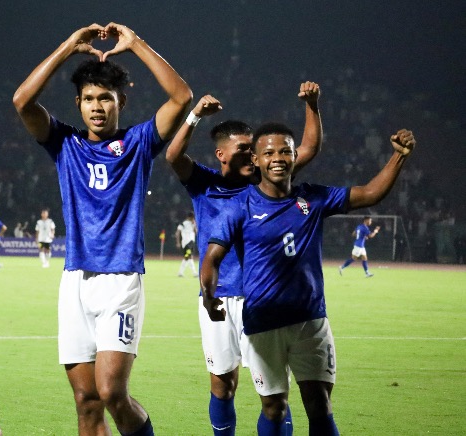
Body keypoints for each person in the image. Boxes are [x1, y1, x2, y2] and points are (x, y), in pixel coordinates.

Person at [13, 23, 192, 435]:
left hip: (121, 280)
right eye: (89, 99)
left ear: (121, 102)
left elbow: (181, 96)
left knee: (112, 392)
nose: (97, 106)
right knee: (86, 401)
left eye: (106, 99)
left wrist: (136, 45)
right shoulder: (64, 144)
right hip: (75, 279)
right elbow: (22, 101)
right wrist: (66, 49)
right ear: (78, 103)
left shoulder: (140, 143)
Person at [200, 125, 416, 435]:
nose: (278, 158)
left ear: (293, 156)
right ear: (257, 160)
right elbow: (211, 258)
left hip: (310, 322)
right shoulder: (239, 207)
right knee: (274, 407)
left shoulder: (313, 198)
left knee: (319, 404)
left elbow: (370, 193)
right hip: (263, 324)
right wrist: (209, 297)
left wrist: (398, 156)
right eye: (269, 153)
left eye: (285, 151)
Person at [166, 83, 322, 435]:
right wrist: (193, 117)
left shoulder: (267, 182)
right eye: (245, 149)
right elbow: (173, 157)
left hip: (260, 297)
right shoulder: (204, 184)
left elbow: (309, 148)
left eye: (256, 150)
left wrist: (312, 106)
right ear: (221, 154)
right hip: (217, 297)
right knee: (222, 384)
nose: (255, 156)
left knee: (274, 393)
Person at [175, 212, 198, 278]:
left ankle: (180, 272)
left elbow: (196, 233)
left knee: (187, 257)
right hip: (186, 243)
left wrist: (194, 225)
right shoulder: (183, 224)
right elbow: (177, 233)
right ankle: (194, 272)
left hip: (191, 242)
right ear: (190, 217)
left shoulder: (193, 224)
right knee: (189, 256)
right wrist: (178, 242)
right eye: (193, 217)